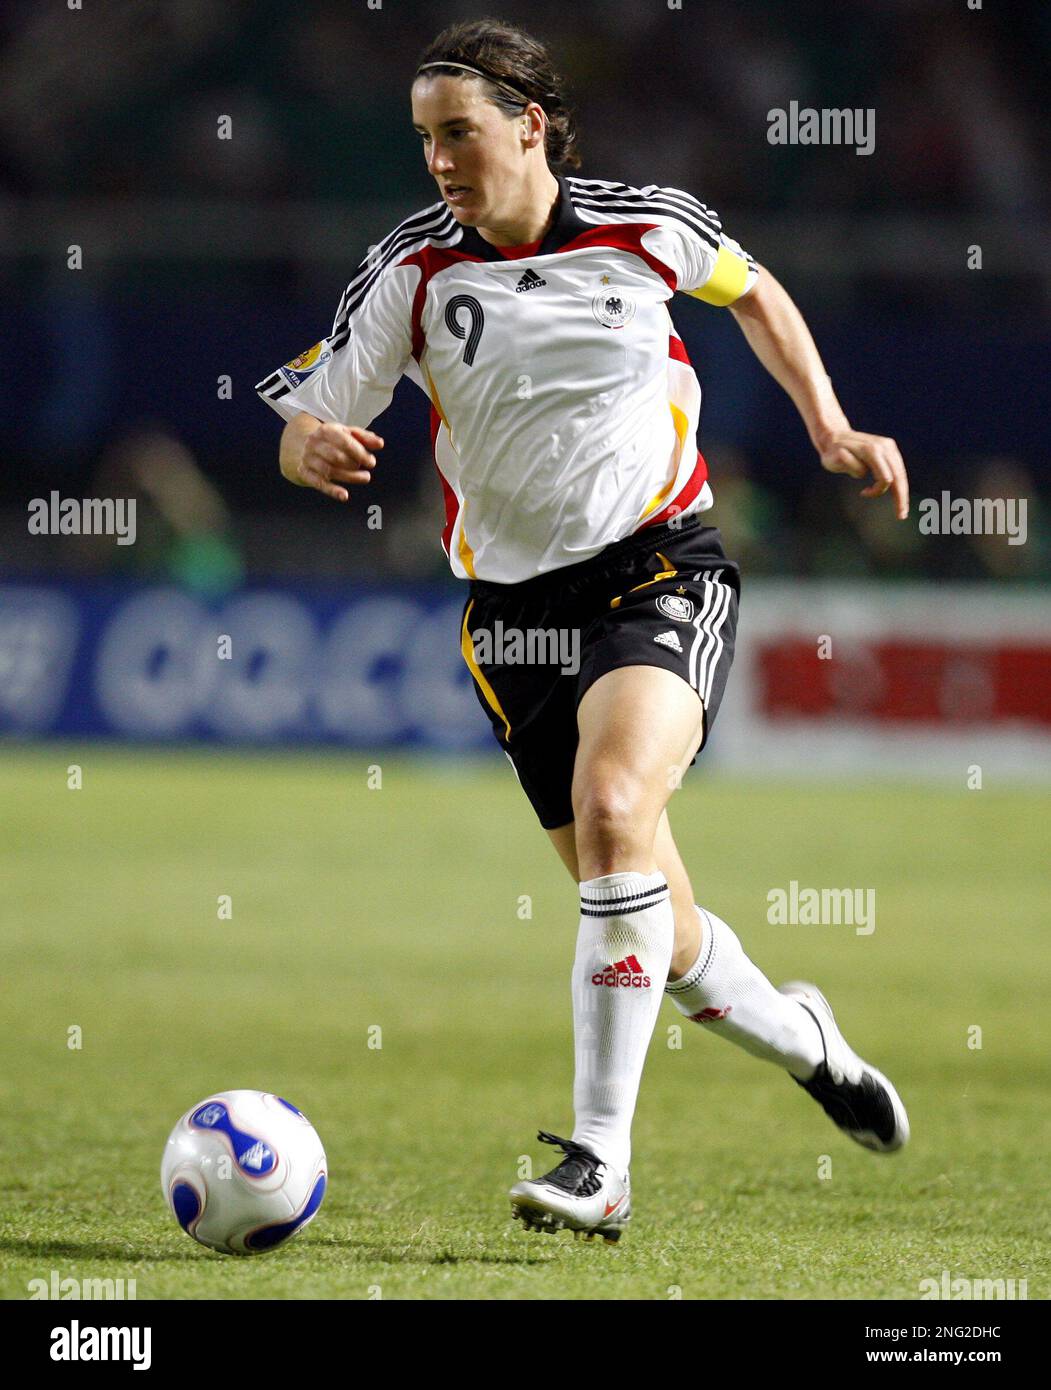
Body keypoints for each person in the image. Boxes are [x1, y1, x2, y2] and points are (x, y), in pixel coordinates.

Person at [256, 18, 910, 1243]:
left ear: (530, 124)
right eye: (422, 139)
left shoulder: (644, 224)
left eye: (458, 131)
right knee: (652, 925)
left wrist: (829, 425)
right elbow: (306, 413)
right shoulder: (412, 269)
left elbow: (756, 289)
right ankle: (807, 1040)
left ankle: (596, 1162)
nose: (439, 159)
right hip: (511, 620)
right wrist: (307, 446)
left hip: (659, 567)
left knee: (616, 811)